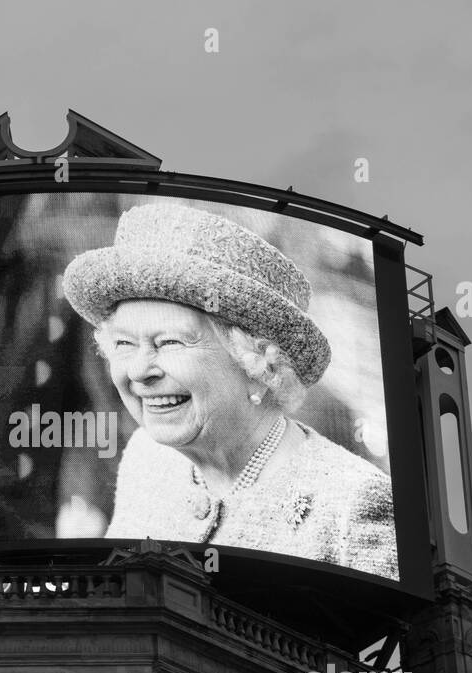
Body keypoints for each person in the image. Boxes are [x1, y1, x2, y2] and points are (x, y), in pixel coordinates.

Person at [61, 202, 398, 580]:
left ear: (258, 365)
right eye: (123, 344)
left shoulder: (354, 504)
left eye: (170, 342)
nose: (139, 371)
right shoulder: (146, 457)